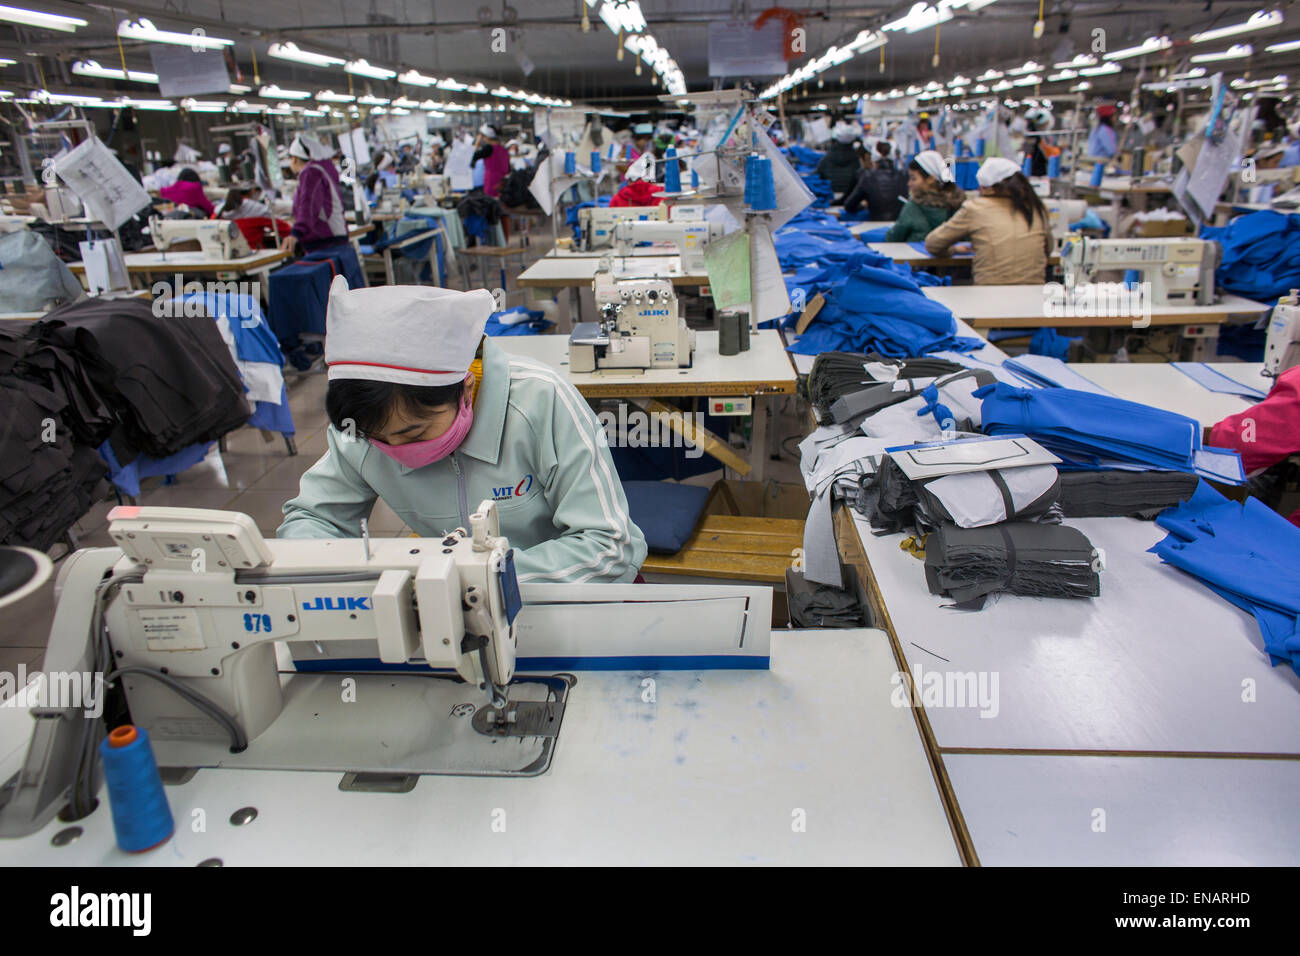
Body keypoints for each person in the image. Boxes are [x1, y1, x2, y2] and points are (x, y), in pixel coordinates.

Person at [279, 280, 647, 584]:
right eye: (379, 439)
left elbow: (608, 546)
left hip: (562, 598)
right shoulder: (360, 427)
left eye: (414, 432)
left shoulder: (540, 401)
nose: (395, 449)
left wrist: (478, 581)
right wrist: (308, 570)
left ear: (466, 390)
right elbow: (314, 519)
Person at [924, 157, 1050, 285]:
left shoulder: (975, 208)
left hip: (990, 296)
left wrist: (953, 251)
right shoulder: (1036, 207)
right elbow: (1048, 249)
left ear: (983, 188)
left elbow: (933, 244)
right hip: (1034, 295)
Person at [282, 134, 347, 257]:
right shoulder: (323, 168)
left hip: (325, 240)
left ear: (294, 159)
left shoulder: (311, 172)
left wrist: (296, 232)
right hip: (332, 237)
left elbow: (308, 205)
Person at [883, 151, 965, 242]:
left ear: (930, 179)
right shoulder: (960, 207)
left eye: (913, 178)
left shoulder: (912, 208)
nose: (909, 183)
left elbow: (893, 238)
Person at [842, 145, 909, 219]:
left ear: (873, 160)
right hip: (899, 224)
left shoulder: (867, 178)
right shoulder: (904, 176)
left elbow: (849, 206)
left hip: (875, 223)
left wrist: (863, 205)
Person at [816, 122, 862, 200]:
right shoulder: (856, 160)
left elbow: (818, 175)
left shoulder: (827, 158)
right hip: (850, 197)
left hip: (830, 196)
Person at [471, 124, 510, 198]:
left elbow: (472, 156)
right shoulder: (504, 150)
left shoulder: (488, 149)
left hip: (491, 180)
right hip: (503, 181)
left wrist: (477, 143)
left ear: (487, 136)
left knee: (491, 202)